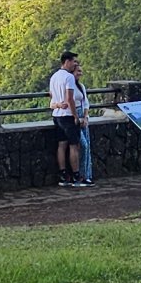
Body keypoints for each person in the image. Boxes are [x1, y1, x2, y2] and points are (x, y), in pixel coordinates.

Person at [47, 49, 85, 188]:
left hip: (57, 115)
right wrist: (76, 116)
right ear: (67, 61)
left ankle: (63, 174)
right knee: (74, 146)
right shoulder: (68, 77)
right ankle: (76, 175)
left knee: (61, 146)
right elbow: (70, 98)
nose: (75, 64)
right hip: (68, 115)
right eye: (74, 61)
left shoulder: (54, 77)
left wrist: (57, 104)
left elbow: (52, 95)